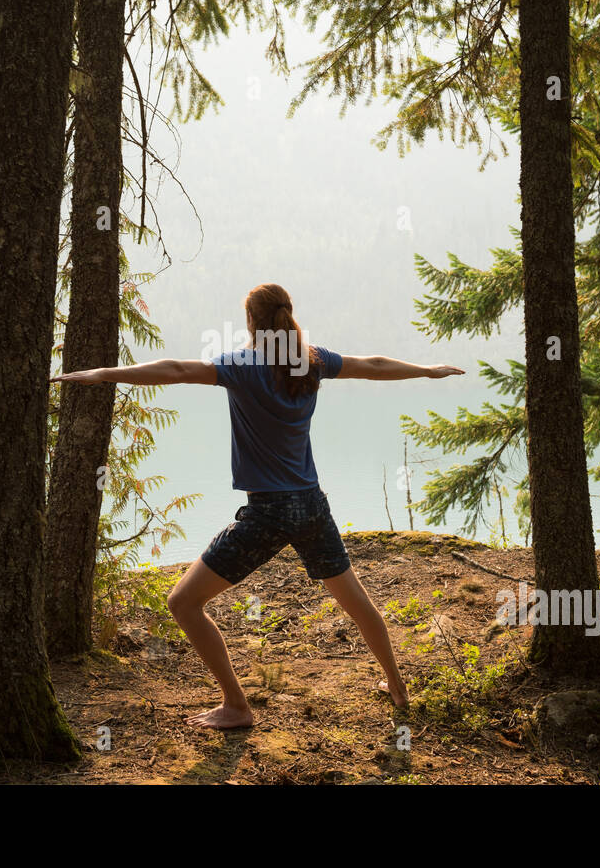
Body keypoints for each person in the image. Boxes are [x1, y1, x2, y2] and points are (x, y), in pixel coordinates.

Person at [53, 283, 464, 729]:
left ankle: (236, 706)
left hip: (268, 512)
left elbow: (173, 369)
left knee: (184, 602)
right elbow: (373, 365)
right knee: (356, 602)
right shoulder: (312, 360)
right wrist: (427, 370)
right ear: (288, 315)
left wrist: (102, 374)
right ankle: (398, 688)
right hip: (311, 506)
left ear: (250, 321)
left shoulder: (241, 367)